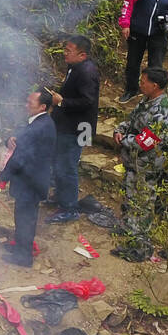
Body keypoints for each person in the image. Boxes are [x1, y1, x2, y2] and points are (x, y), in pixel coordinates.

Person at [113, 67, 168, 261]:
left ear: (154, 85)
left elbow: (147, 141)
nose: (140, 84)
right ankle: (129, 233)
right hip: (135, 164)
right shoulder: (146, 100)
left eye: (143, 81)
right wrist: (119, 130)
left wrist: (124, 141)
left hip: (147, 165)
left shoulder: (163, 110)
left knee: (143, 205)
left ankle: (141, 247)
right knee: (131, 199)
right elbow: (131, 121)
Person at [0, 87, 57, 268]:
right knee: (23, 216)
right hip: (33, 178)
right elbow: (19, 138)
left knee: (25, 218)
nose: (26, 105)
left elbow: (20, 156)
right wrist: (10, 138)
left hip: (30, 181)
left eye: (30, 103)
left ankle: (24, 256)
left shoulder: (39, 127)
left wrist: (4, 175)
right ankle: (20, 246)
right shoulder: (40, 122)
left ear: (42, 107)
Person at [48, 35, 102, 222]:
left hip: (78, 128)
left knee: (68, 167)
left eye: (68, 51)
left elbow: (88, 101)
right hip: (69, 125)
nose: (64, 54)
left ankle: (69, 208)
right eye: (65, 49)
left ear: (82, 54)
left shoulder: (87, 72)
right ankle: (60, 197)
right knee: (59, 163)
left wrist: (62, 102)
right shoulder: (76, 66)